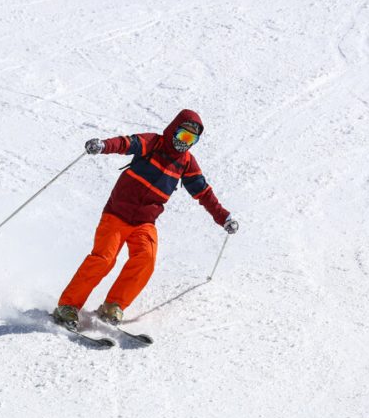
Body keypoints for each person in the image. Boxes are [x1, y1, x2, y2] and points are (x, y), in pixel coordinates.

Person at [53, 108, 238, 328]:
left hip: (144, 222)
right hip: (116, 214)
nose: (184, 142)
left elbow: (203, 193)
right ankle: (68, 306)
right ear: (173, 130)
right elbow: (125, 143)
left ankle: (113, 305)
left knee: (146, 259)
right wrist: (103, 145)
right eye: (182, 135)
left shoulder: (186, 163)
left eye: (191, 138)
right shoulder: (153, 143)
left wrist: (224, 217)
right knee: (103, 258)